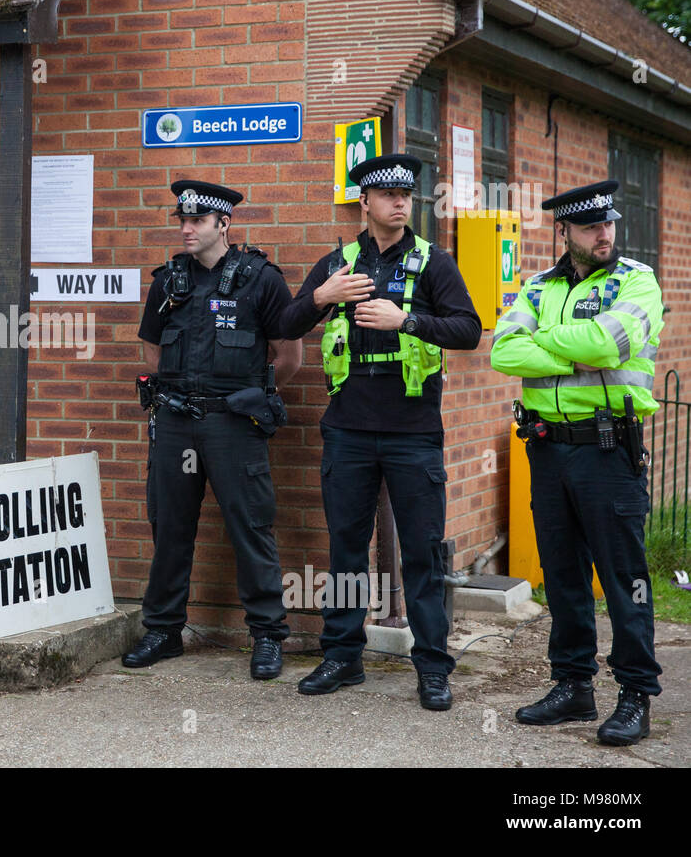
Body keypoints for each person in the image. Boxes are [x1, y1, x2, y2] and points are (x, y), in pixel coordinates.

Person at [278, 153, 481, 710]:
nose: (399, 201)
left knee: (423, 551)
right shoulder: (337, 264)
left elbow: (468, 330)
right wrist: (320, 297)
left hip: (413, 431)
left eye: (406, 194)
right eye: (387, 194)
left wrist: (406, 320)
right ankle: (343, 656)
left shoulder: (432, 261)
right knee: (345, 548)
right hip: (347, 430)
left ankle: (433, 667)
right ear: (364, 202)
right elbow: (285, 325)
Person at [490, 179, 663, 746]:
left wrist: (552, 343)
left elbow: (610, 344)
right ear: (564, 231)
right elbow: (503, 350)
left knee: (623, 579)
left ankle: (635, 694)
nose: (604, 233)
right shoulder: (537, 286)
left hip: (608, 449)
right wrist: (576, 343)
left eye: (608, 223)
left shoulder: (635, 279)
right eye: (591, 227)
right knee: (562, 573)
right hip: (547, 447)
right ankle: (573, 686)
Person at [125, 179, 302, 679]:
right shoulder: (168, 280)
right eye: (181, 220)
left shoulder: (261, 279)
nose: (186, 229)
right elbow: (152, 350)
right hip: (177, 422)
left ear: (224, 223)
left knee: (251, 528)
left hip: (233, 424)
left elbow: (289, 356)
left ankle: (267, 636)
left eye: (197, 221)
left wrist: (252, 395)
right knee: (171, 527)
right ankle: (163, 630)